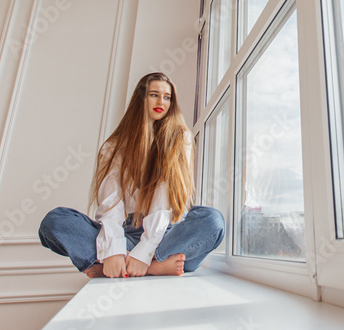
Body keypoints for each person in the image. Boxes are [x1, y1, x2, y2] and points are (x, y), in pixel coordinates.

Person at [38, 72, 224, 278]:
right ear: (141, 98)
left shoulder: (181, 138)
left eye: (167, 97)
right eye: (154, 94)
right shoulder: (114, 146)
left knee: (212, 221)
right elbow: (111, 204)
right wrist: (114, 249)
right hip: (128, 232)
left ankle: (138, 264)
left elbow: (163, 201)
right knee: (55, 221)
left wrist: (145, 252)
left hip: (169, 235)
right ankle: (151, 267)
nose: (161, 101)